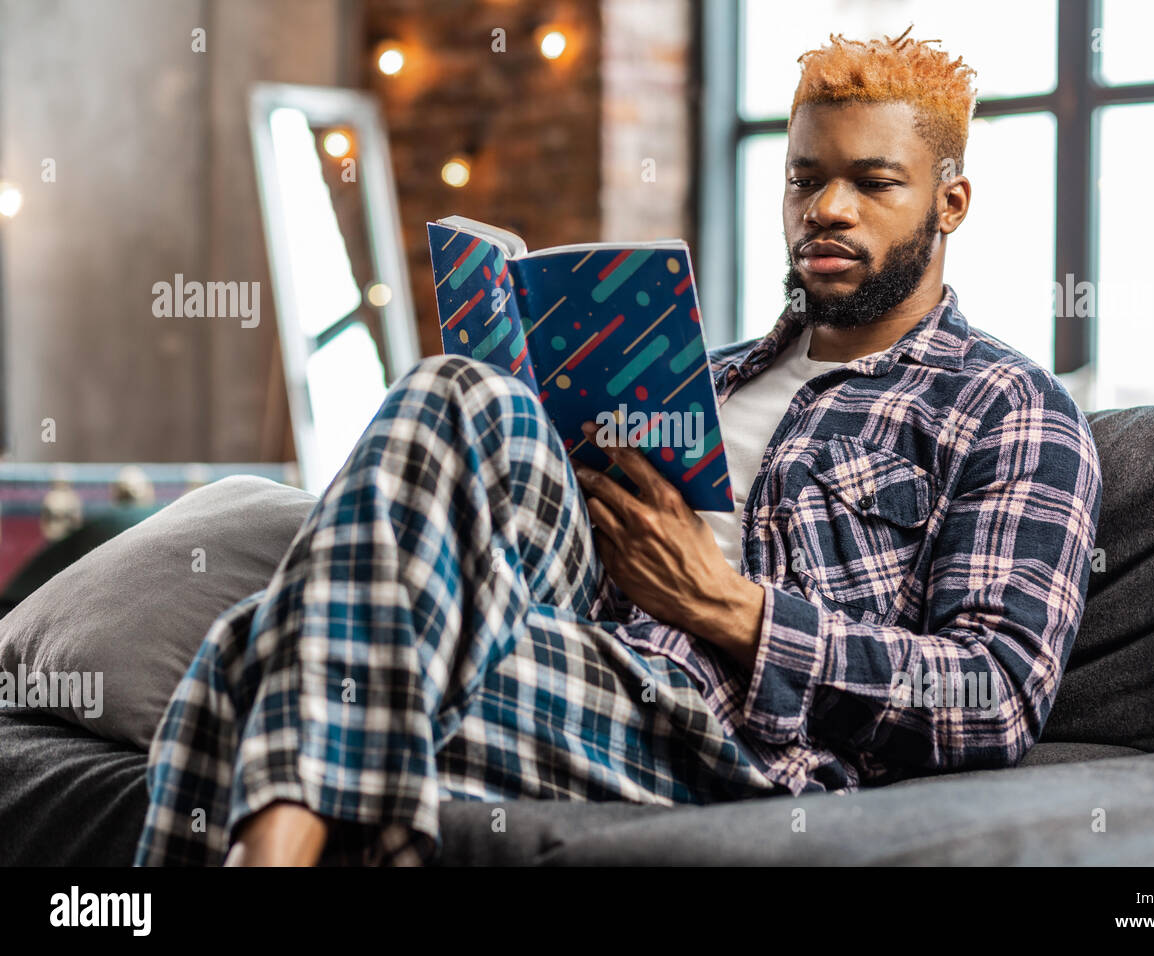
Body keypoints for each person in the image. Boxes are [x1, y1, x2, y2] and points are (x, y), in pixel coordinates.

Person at [136, 28, 1102, 866]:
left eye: (874, 183)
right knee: (457, 388)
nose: (828, 210)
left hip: (736, 745)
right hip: (577, 641)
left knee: (256, 650)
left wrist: (735, 611)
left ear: (952, 203)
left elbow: (996, 697)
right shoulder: (703, 374)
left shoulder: (1010, 408)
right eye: (806, 179)